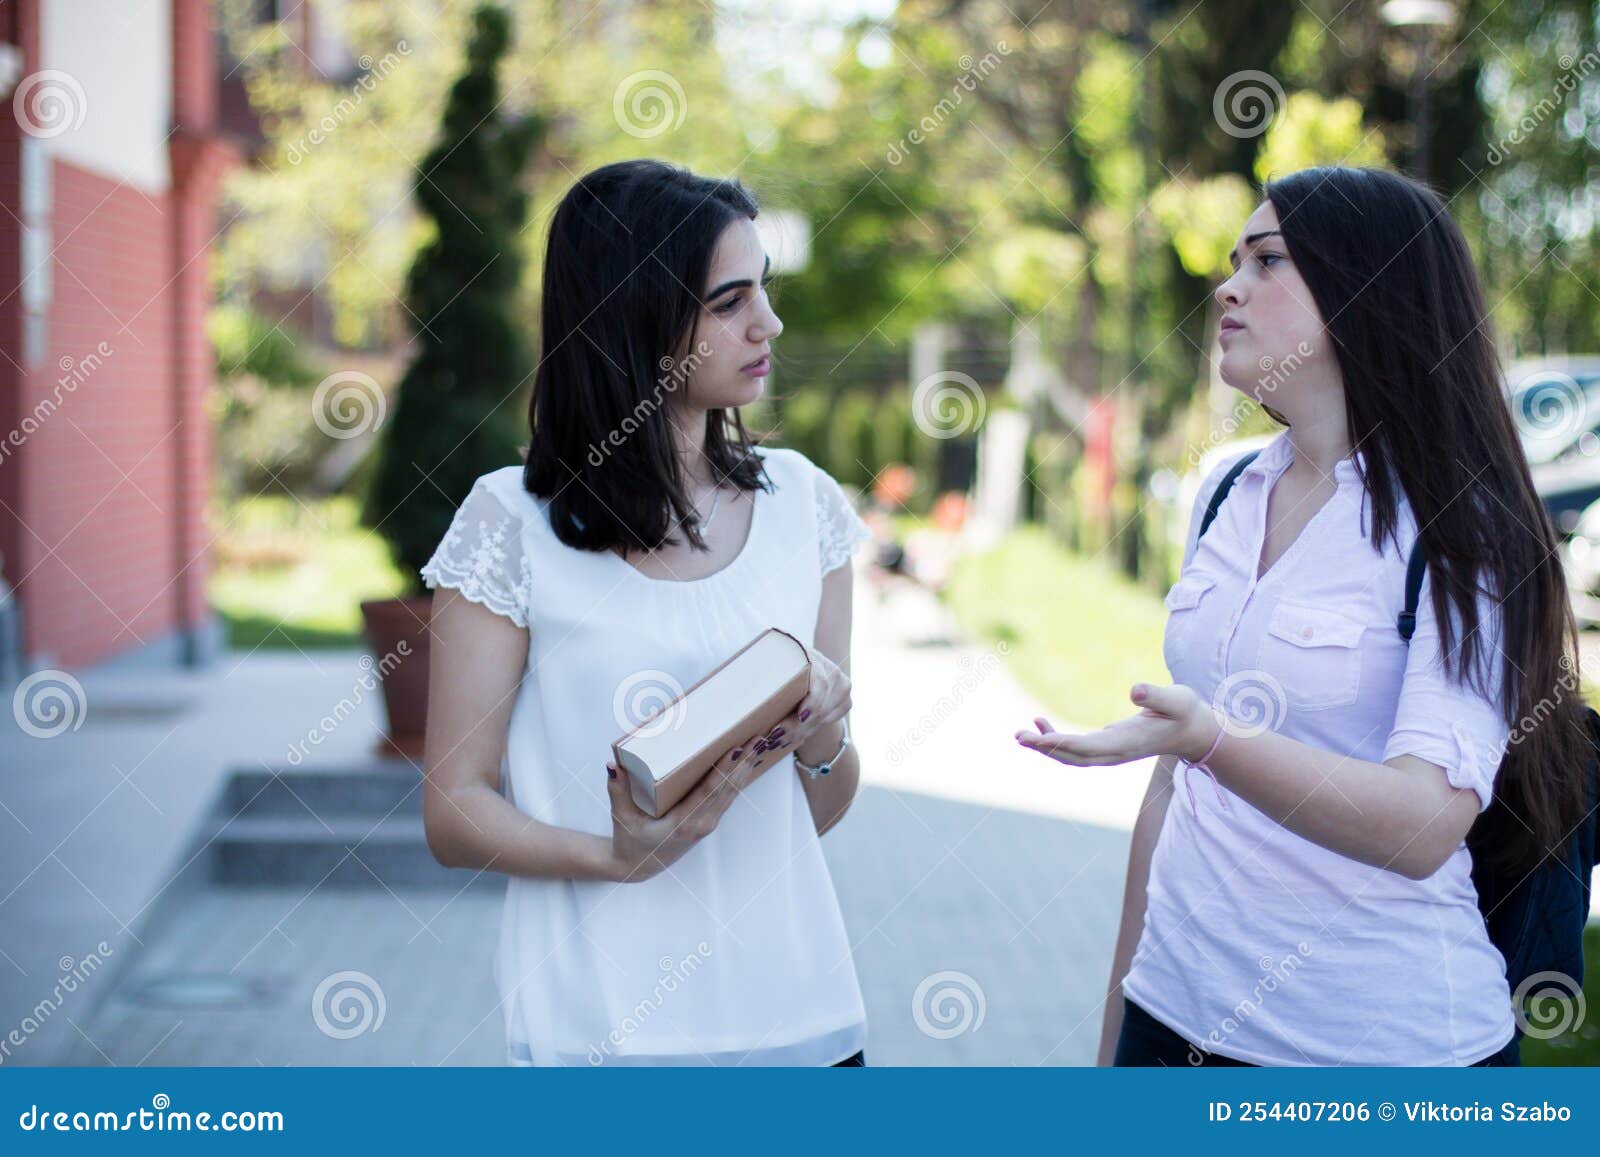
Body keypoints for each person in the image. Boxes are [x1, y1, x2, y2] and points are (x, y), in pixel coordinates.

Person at [1015, 166, 1588, 1067]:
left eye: (1268, 260)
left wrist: (1209, 737)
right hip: (1171, 1021)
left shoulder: (1465, 529)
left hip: (1382, 1059)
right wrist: (1115, 1040)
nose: (1227, 286)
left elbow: (1422, 822)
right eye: (1233, 258)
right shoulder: (1226, 490)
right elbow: (1173, 791)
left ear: (1367, 291)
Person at [419, 159, 871, 1066]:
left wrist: (821, 732)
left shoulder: (806, 506)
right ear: (636, 316)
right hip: (600, 1037)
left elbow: (817, 807)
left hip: (802, 1026)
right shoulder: (510, 524)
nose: (768, 323)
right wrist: (617, 856)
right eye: (730, 300)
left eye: (765, 292)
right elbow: (451, 809)